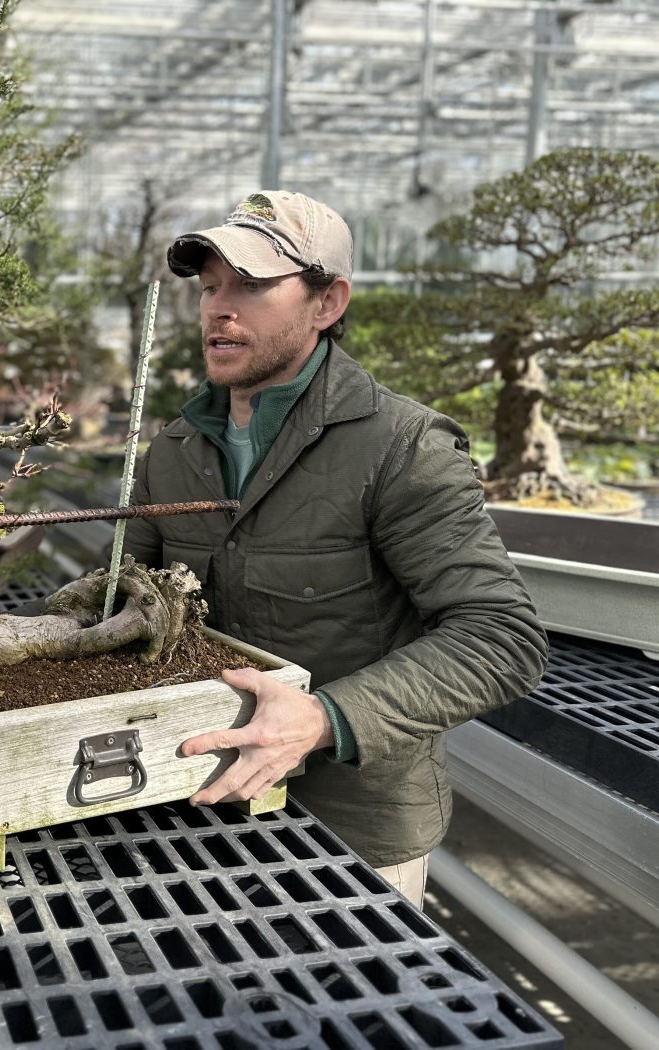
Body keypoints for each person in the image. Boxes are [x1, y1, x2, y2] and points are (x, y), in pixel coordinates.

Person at [122, 190, 548, 906]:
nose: (219, 309)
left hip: (348, 837)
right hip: (190, 805)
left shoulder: (400, 447)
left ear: (327, 302)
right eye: (211, 287)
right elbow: (118, 597)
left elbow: (501, 637)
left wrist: (325, 717)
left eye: (251, 285)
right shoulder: (174, 450)